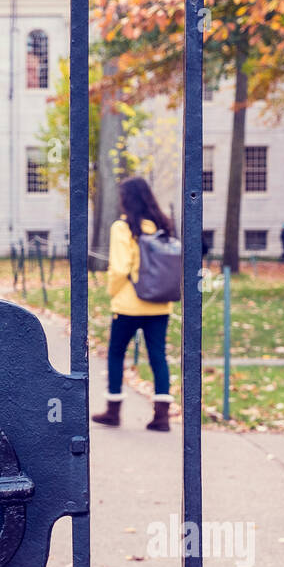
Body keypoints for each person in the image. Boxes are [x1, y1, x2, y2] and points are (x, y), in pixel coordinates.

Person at [92, 176, 174, 431]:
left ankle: (113, 411)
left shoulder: (123, 228)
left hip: (128, 304)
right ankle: (162, 417)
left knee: (116, 354)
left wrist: (113, 292)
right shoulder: (164, 226)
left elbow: (119, 268)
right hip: (160, 304)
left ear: (127, 199)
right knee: (158, 356)